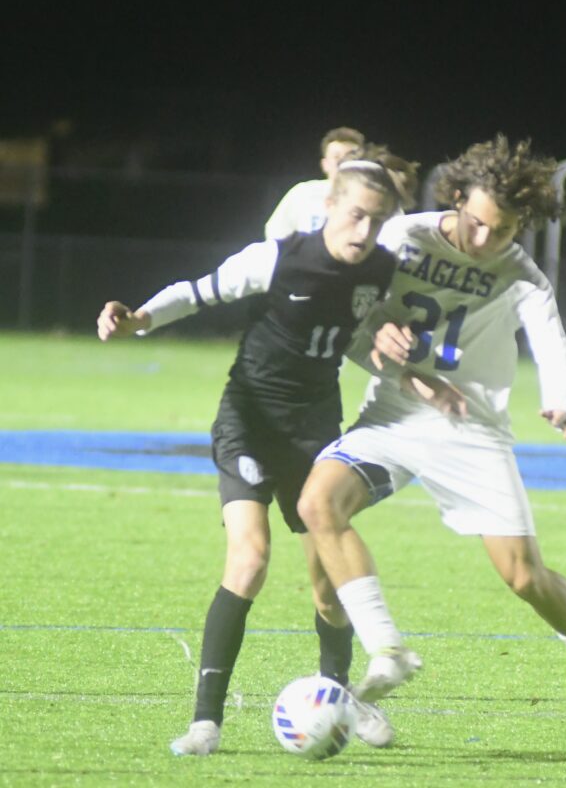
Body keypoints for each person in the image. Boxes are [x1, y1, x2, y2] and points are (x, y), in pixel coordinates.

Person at [298, 135, 566, 754]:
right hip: (396, 414)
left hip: (470, 430)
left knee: (526, 579)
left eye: (500, 231)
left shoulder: (520, 274)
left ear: (520, 227)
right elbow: (352, 316)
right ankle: (386, 653)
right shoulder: (403, 238)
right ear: (456, 197)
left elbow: (552, 341)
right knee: (318, 505)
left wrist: (564, 401)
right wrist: (380, 346)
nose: (483, 240)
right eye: (476, 222)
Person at [97, 159, 413, 756]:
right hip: (248, 420)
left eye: (377, 221)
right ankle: (205, 722)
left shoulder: (381, 271)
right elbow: (196, 293)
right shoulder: (277, 257)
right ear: (329, 206)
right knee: (251, 560)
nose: (365, 231)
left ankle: (340, 698)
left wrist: (399, 358)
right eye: (356, 216)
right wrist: (138, 319)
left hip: (315, 429)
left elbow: (359, 338)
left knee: (326, 583)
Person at [264, 126, 365, 239]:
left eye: (350, 156)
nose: (342, 162)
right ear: (325, 164)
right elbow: (276, 231)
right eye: (336, 157)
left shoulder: (370, 199)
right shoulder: (303, 193)